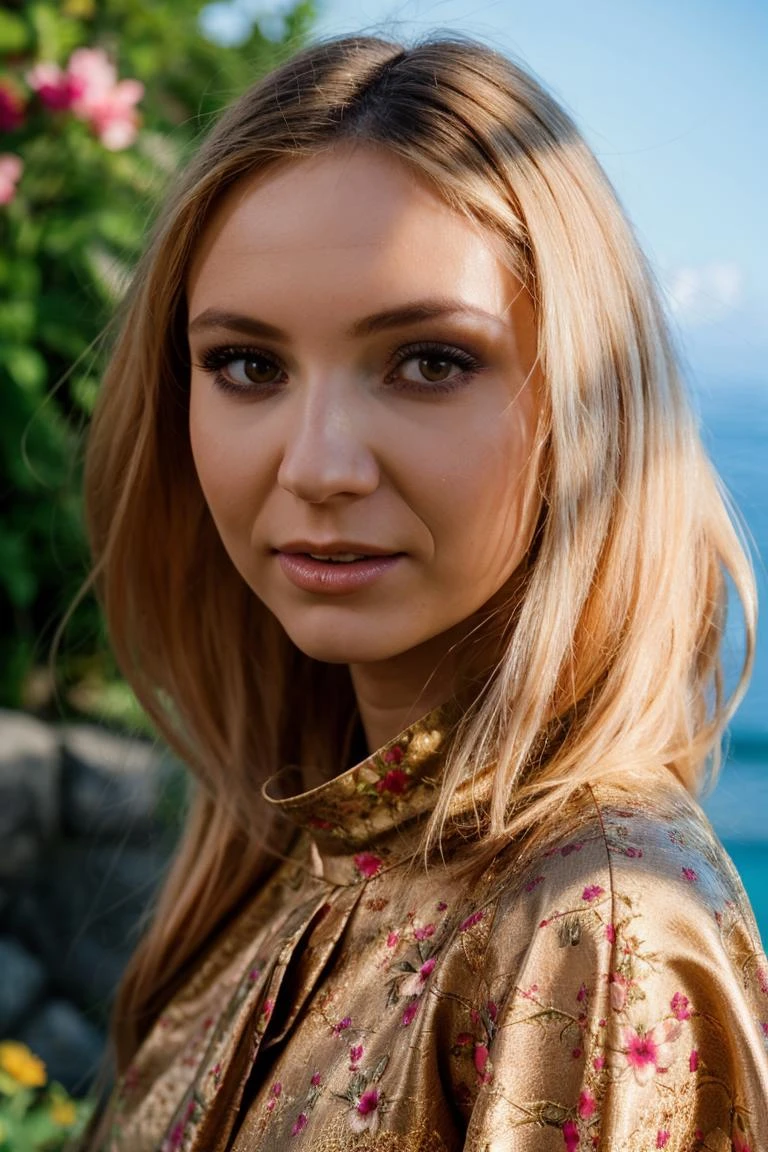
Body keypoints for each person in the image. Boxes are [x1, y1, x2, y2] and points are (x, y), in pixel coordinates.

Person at [75, 32, 768, 1152]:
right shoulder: (295, 846)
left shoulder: (599, 932)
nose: (317, 466)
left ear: (585, 405)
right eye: (248, 365)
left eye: (430, 362)